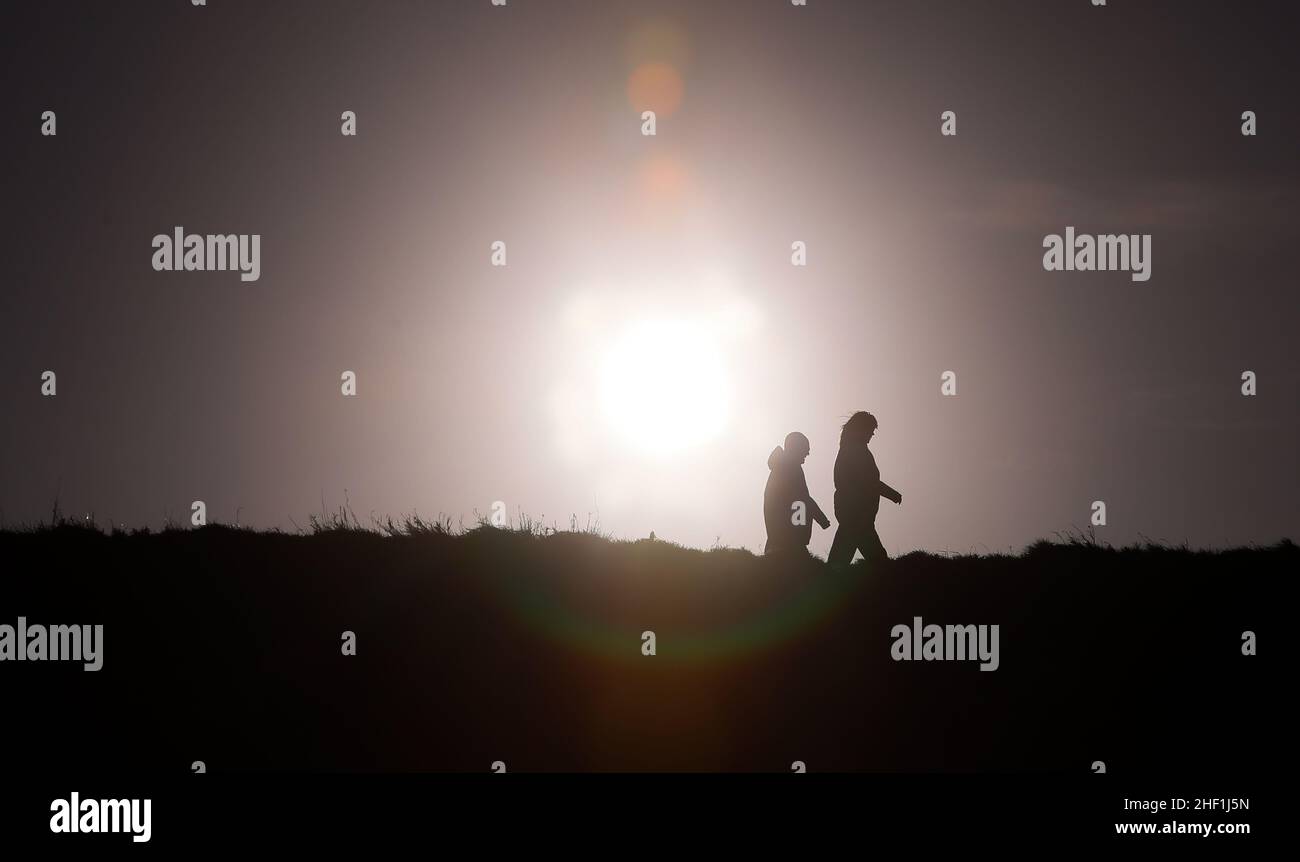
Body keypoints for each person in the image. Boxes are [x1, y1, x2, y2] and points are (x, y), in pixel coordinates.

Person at [827, 411, 902, 569]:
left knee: (841, 555)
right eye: (870, 430)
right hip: (856, 513)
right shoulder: (856, 451)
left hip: (853, 513)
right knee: (876, 558)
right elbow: (869, 482)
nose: (872, 434)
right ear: (861, 429)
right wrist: (892, 494)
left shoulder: (850, 449)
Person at [763, 431, 830, 555]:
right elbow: (802, 498)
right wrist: (821, 518)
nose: (808, 453)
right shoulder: (790, 467)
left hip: (782, 533)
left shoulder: (783, 466)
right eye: (805, 449)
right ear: (796, 448)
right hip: (788, 536)